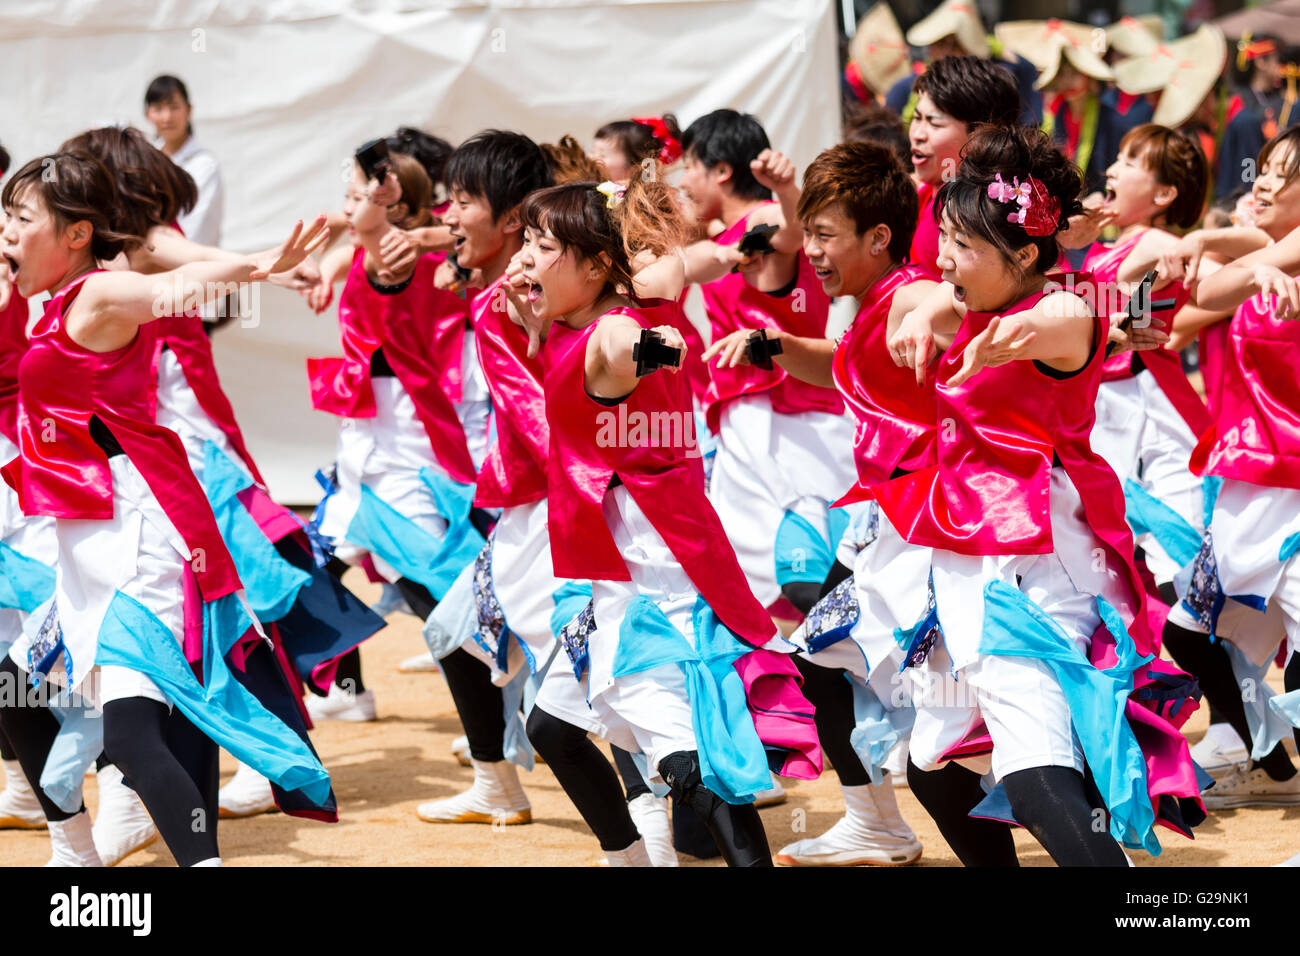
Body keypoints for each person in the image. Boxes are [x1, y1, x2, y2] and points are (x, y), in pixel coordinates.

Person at [0, 150, 330, 866]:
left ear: (77, 233)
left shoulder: (99, 295)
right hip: (83, 535)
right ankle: (81, 848)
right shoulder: (55, 301)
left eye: (22, 219)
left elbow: (177, 279)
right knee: (27, 692)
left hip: (134, 531)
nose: (7, 233)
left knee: (129, 731)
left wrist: (260, 265)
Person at [885, 125, 1202, 865]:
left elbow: (1059, 321)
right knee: (935, 765)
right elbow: (924, 298)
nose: (943, 258)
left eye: (961, 246)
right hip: (970, 548)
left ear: (1024, 254)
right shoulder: (975, 297)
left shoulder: (1063, 311)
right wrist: (925, 310)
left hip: (1029, 556)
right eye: (945, 239)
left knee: (1032, 772)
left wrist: (1011, 334)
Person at [514, 178, 820, 867]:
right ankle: (630, 857)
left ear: (596, 266)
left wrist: (657, 347)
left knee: (693, 766)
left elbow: (626, 342)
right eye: (527, 243)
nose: (525, 259)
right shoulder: (611, 302)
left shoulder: (612, 332)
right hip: (617, 569)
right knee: (553, 726)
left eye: (540, 246)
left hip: (651, 579)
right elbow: (693, 265)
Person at [705, 140, 936, 866]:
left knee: (970, 715)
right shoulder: (866, 307)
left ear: (878, 237)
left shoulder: (909, 296)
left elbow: (946, 306)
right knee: (826, 656)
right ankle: (876, 821)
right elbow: (839, 367)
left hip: (939, 526)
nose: (814, 251)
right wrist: (772, 344)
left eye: (825, 235)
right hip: (888, 524)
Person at [1163, 123, 1300, 811]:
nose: (1266, 181)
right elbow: (1204, 299)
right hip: (1251, 486)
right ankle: (1258, 737)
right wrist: (1199, 242)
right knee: (1186, 632)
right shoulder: (1272, 252)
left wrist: (1209, 248)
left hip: (1295, 487)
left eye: (1285, 172)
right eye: (1265, 168)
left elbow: (1210, 292)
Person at [907, 55, 1023, 278]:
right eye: (916, 118)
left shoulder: (987, 214)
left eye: (934, 122)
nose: (918, 134)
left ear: (979, 136)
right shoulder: (928, 189)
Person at [144, 75, 224, 246]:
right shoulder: (143, 161)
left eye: (174, 107)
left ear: (189, 109)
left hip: (192, 260)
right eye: (158, 108)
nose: (167, 117)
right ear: (148, 114)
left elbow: (195, 229)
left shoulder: (204, 165)